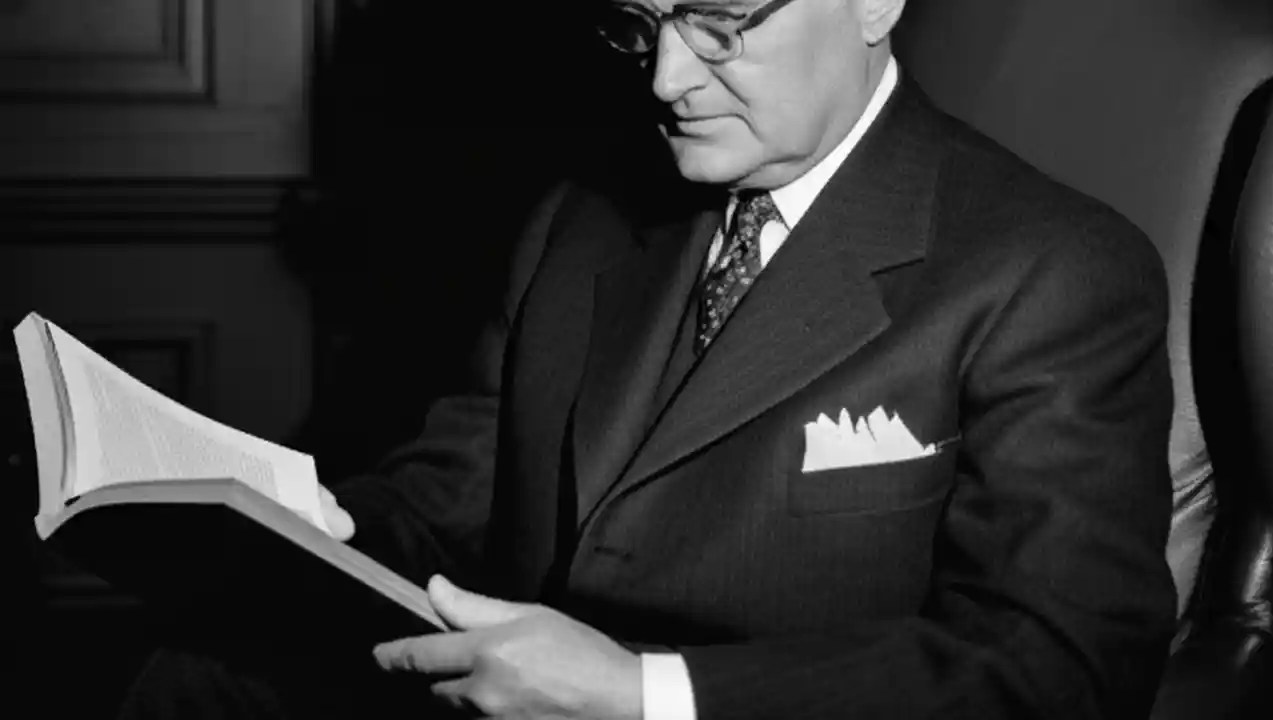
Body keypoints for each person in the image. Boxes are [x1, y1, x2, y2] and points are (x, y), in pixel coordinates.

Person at [123, 0, 1178, 718]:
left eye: (718, 21)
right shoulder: (579, 223)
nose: (669, 77)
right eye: (641, 22)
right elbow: (450, 495)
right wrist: (312, 527)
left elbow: (1062, 666)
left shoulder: (1051, 268)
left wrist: (645, 696)